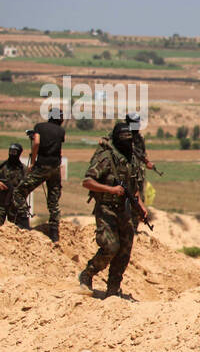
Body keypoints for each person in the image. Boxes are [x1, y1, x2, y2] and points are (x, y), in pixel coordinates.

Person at [79, 120, 149, 297]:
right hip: (106, 208)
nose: (127, 143)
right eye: (124, 139)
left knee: (125, 247)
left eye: (129, 139)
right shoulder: (105, 157)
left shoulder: (131, 158)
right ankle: (88, 274)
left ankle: (113, 287)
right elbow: (87, 181)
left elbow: (133, 186)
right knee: (111, 246)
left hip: (124, 209)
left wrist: (140, 205)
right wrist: (111, 189)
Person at [14, 105, 67, 242]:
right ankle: (54, 232)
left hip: (42, 166)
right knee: (53, 201)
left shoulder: (39, 127)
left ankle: (24, 223)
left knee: (19, 191)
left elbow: (37, 142)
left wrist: (32, 162)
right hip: (55, 168)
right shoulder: (61, 131)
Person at [0, 143, 30, 227]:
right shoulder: (1, 166)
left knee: (20, 229)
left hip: (16, 204)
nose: (12, 154)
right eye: (10, 151)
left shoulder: (23, 170)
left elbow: (28, 186)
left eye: (14, 152)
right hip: (1, 202)